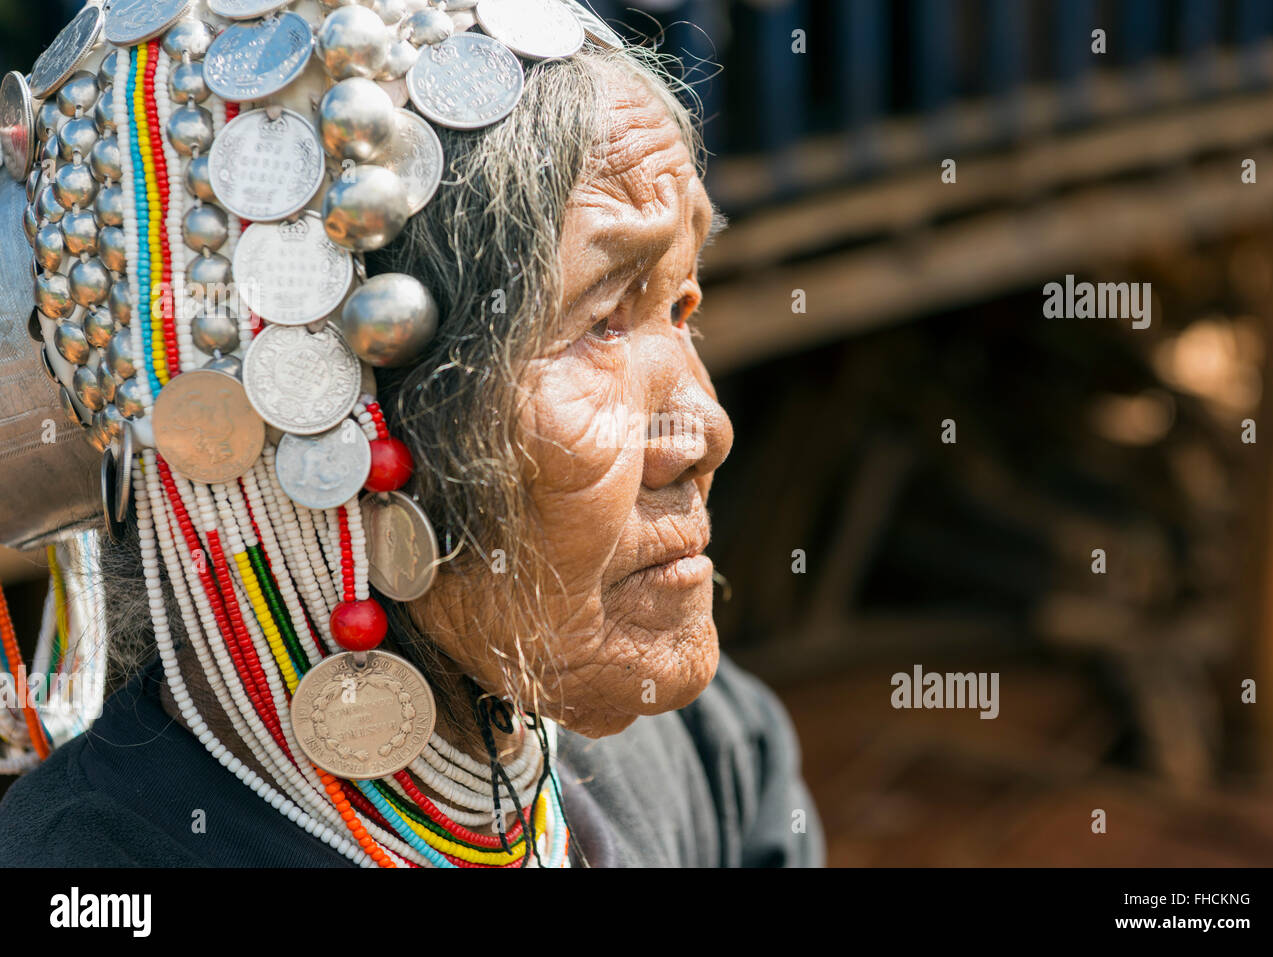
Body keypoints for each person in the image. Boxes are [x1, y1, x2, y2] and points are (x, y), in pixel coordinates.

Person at [0, 1, 822, 868]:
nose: (708, 430)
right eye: (603, 322)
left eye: (682, 303)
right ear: (325, 407)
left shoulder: (715, 755)